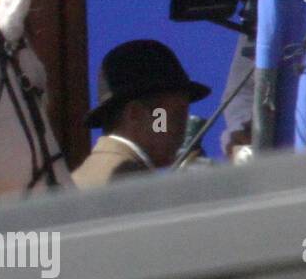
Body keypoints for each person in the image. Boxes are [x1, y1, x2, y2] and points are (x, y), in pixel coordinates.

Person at [72, 39, 211, 188]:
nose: (182, 130)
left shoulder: (76, 179)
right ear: (135, 113)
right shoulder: (132, 183)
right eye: (176, 116)